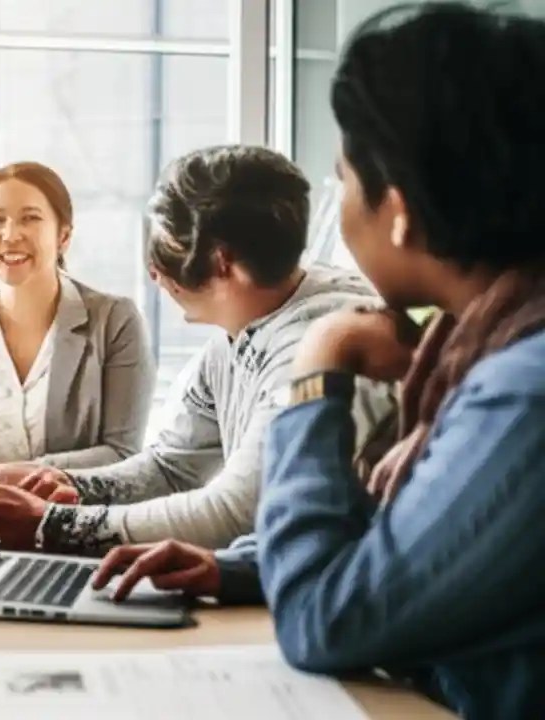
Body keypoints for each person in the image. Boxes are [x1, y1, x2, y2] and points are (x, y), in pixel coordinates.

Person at [255, 4, 545, 716]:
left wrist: (318, 364)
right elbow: (423, 545)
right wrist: (234, 567)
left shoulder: (522, 392)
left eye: (344, 180)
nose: (339, 208)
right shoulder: (483, 347)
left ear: (401, 208)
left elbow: (324, 620)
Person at [0, 146, 394, 554]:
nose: (154, 272)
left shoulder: (313, 348)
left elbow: (236, 512)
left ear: (221, 261)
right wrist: (68, 484)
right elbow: (172, 467)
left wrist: (52, 525)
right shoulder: (244, 326)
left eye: (165, 251)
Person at [0, 161, 156, 474]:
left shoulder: (115, 321)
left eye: (30, 218)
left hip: (76, 506)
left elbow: (122, 454)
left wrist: (28, 475)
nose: (10, 235)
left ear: (63, 236)